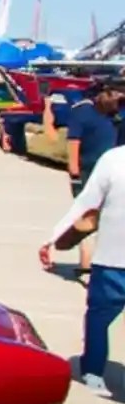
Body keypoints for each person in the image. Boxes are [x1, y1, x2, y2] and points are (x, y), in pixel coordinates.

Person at [41, 140, 125, 398]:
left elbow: (85, 203)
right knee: (99, 316)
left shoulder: (113, 159)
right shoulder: (113, 160)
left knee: (98, 317)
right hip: (113, 258)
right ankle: (92, 369)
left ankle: (93, 370)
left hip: (113, 259)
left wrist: (54, 236)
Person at [65, 83, 124, 272]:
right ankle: (86, 263)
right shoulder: (82, 112)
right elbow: (73, 141)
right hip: (88, 171)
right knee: (87, 217)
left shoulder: (115, 115)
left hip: (114, 172)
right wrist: (74, 172)